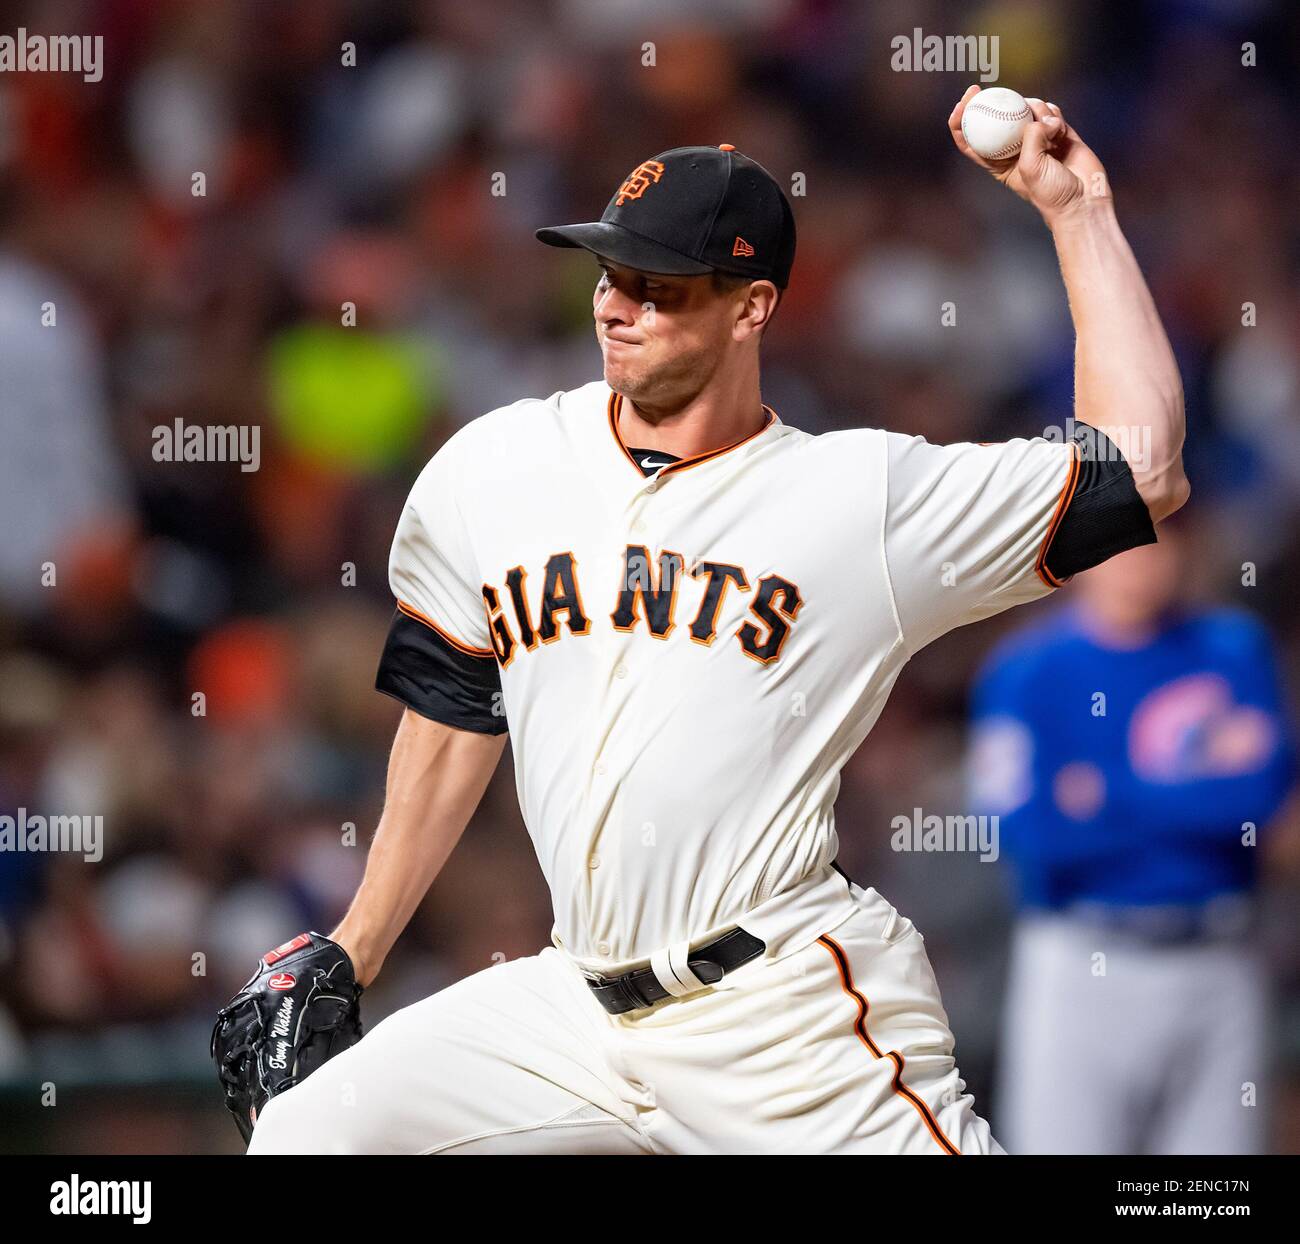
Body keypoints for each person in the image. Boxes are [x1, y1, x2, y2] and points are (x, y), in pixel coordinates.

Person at [218, 89, 1190, 1154]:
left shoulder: (857, 496)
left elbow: (1139, 468)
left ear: (750, 306)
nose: (615, 305)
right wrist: (357, 945)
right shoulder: (493, 467)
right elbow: (453, 710)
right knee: (311, 1135)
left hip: (777, 1015)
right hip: (569, 1008)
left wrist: (1077, 208)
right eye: (607, 273)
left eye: (658, 285)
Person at [969, 525, 1296, 1154]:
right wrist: (1190, 794)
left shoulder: (1231, 649)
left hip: (1220, 956)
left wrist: (1107, 793)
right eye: (1120, 537)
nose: (1141, 557)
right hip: (1083, 960)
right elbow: (1036, 837)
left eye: (1163, 535)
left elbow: (1256, 805)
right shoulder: (1028, 671)